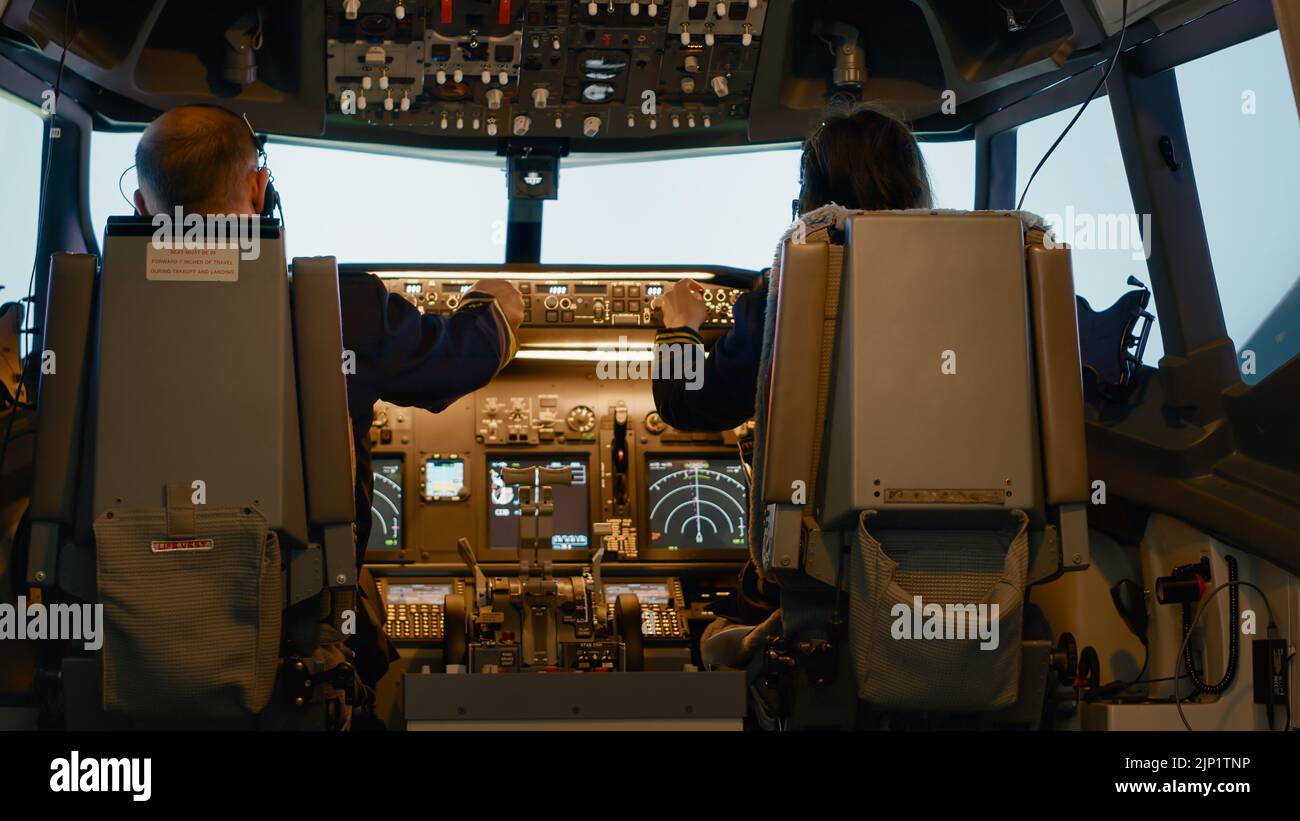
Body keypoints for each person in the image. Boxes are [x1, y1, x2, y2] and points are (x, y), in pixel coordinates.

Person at [131, 104, 523, 715]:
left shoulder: (90, 320)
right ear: (260, 190)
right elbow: (463, 358)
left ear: (140, 207)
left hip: (131, 640)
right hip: (294, 645)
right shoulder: (340, 308)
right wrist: (496, 303)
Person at [652, 103, 933, 431]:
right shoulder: (956, 296)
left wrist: (680, 327)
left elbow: (685, 405)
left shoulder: (784, 309)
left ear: (812, 205)